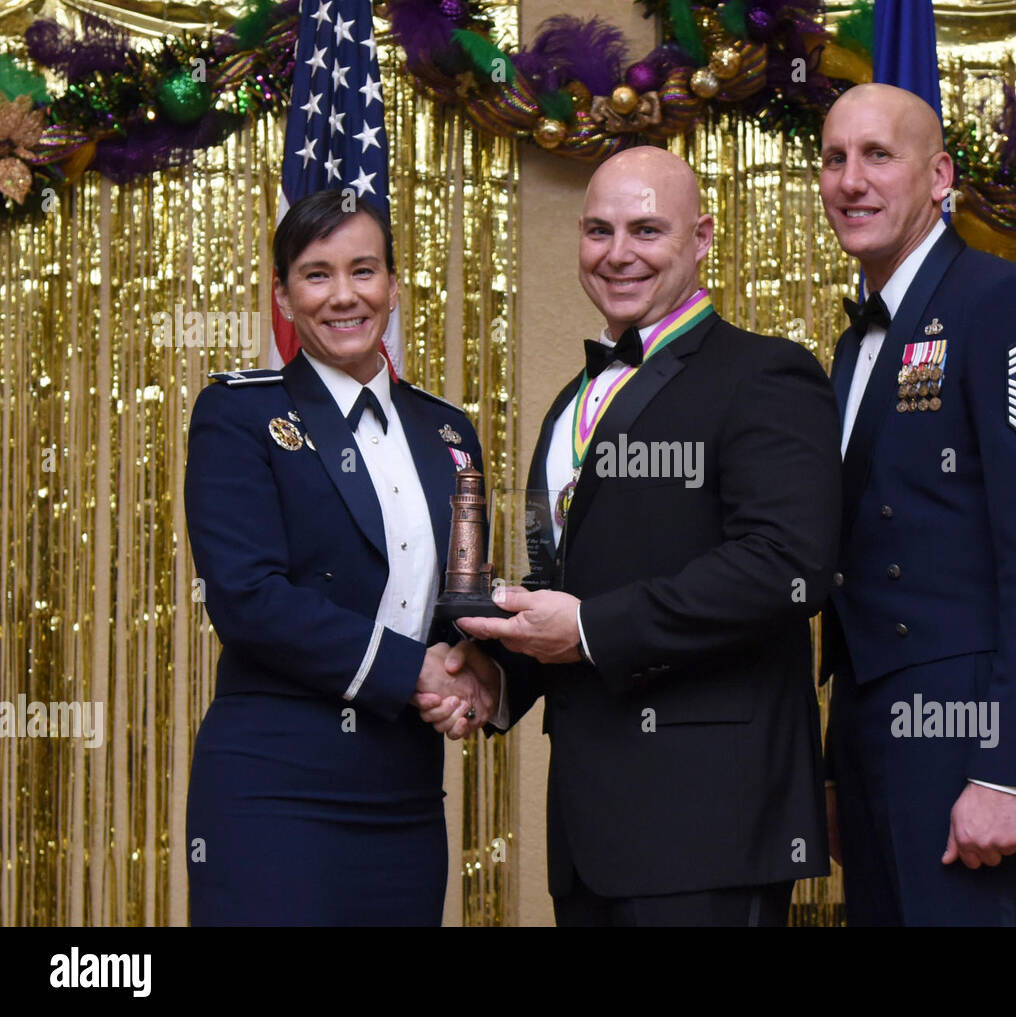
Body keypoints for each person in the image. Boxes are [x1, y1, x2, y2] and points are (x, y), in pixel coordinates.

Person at [444, 146, 842, 927]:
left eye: (646, 229)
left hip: (711, 823)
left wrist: (590, 628)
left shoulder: (768, 374)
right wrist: (492, 684)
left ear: (702, 237)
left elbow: (786, 566)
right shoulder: (570, 403)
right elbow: (548, 585)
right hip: (590, 829)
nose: (617, 253)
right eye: (598, 229)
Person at [816, 84, 1016, 926]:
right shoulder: (854, 342)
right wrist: (840, 761)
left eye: (878, 155)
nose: (851, 180)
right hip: (873, 737)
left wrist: (1013, 769)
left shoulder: (1008, 304)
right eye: (834, 158)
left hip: (965, 737)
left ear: (939, 175)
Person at [184, 187, 500, 926]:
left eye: (364, 270)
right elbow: (248, 599)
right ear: (283, 297)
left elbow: (464, 600)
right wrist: (410, 669)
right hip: (276, 782)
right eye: (316, 274)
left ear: (392, 285)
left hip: (404, 787)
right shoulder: (240, 413)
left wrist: (479, 675)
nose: (344, 295)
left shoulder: (449, 433)